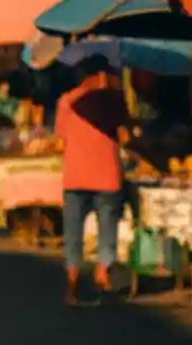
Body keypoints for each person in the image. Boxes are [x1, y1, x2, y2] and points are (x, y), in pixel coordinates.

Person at [55, 56, 130, 305]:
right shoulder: (114, 99)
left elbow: (60, 140)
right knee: (106, 232)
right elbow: (125, 132)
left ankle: (71, 285)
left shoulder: (67, 101)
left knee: (73, 235)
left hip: (75, 177)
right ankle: (102, 277)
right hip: (107, 177)